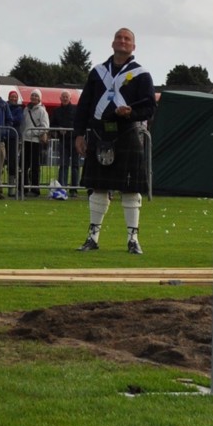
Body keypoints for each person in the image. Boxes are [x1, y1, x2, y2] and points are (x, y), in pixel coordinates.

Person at [74, 28, 157, 255]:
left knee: (130, 189)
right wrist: (79, 134)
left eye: (127, 39)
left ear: (133, 46)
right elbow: (84, 105)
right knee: (98, 187)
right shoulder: (97, 72)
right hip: (99, 133)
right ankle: (92, 237)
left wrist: (131, 113)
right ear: (112, 44)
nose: (122, 41)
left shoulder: (141, 74)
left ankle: (133, 239)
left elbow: (150, 107)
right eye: (119, 38)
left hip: (126, 133)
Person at [21, 90, 51, 197]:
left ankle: (35, 189)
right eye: (32, 95)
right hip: (25, 140)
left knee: (35, 166)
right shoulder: (26, 109)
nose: (34, 97)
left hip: (35, 141)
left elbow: (45, 126)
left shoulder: (42, 111)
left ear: (39, 98)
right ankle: (23, 187)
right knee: (23, 165)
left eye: (36, 96)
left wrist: (32, 132)